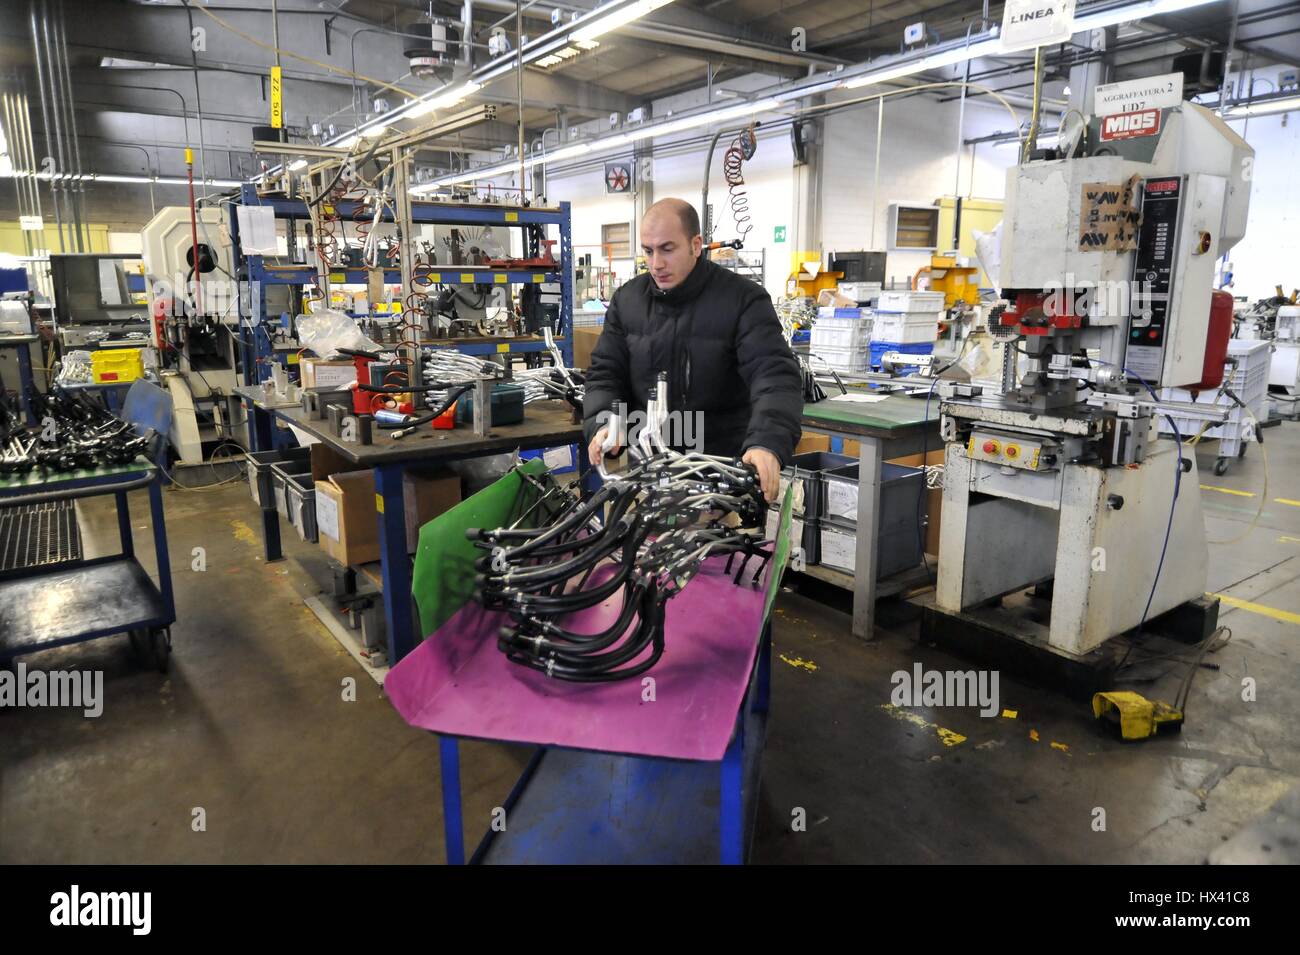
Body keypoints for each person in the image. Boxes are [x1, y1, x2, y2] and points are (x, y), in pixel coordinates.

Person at [582, 197, 803, 501]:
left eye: (667, 249)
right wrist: (607, 422)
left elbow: (774, 377)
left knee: (722, 550)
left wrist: (766, 443)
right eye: (648, 251)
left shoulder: (743, 301)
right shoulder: (627, 301)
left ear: (696, 245)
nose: (656, 263)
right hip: (649, 474)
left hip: (724, 475)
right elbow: (605, 374)